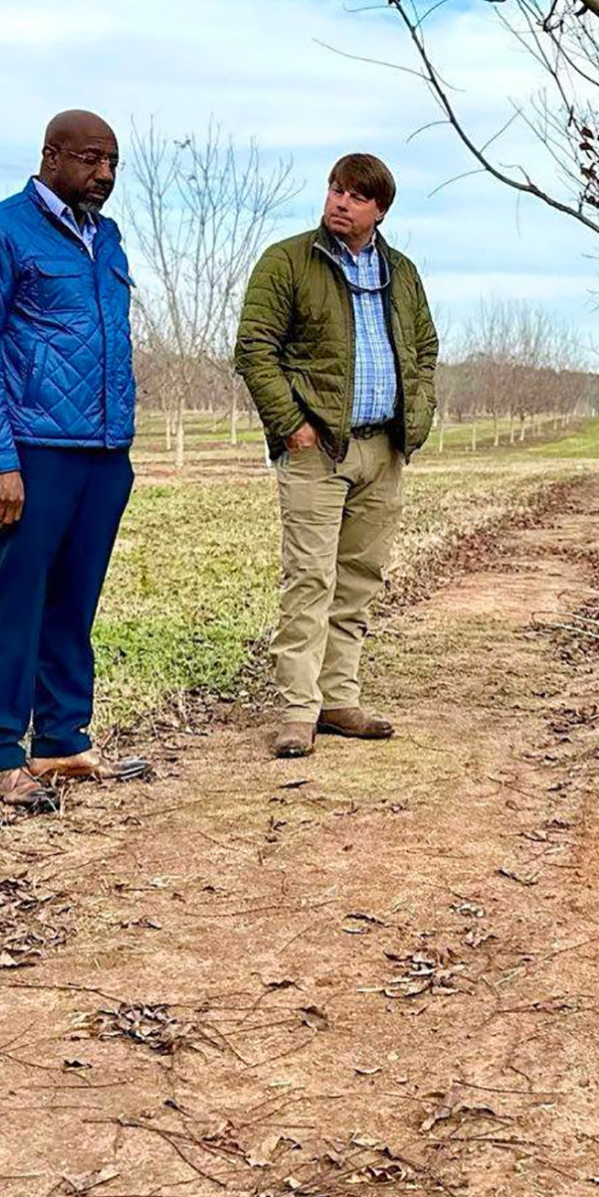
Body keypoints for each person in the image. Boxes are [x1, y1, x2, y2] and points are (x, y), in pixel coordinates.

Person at [0, 111, 145, 811]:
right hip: (32, 451)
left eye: (112, 162)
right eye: (91, 159)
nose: (103, 173)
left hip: (103, 450)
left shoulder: (108, 237)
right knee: (18, 599)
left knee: (75, 599)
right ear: (51, 155)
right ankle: (3, 751)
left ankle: (62, 738)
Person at [232, 153, 439, 759]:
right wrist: (291, 425)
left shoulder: (400, 272)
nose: (340, 202)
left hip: (384, 448)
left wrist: (417, 416)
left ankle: (338, 699)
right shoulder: (288, 261)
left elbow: (424, 349)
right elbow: (254, 349)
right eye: (335, 190)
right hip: (317, 448)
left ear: (380, 209)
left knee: (358, 579)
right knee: (310, 578)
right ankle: (298, 710)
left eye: (356, 195)